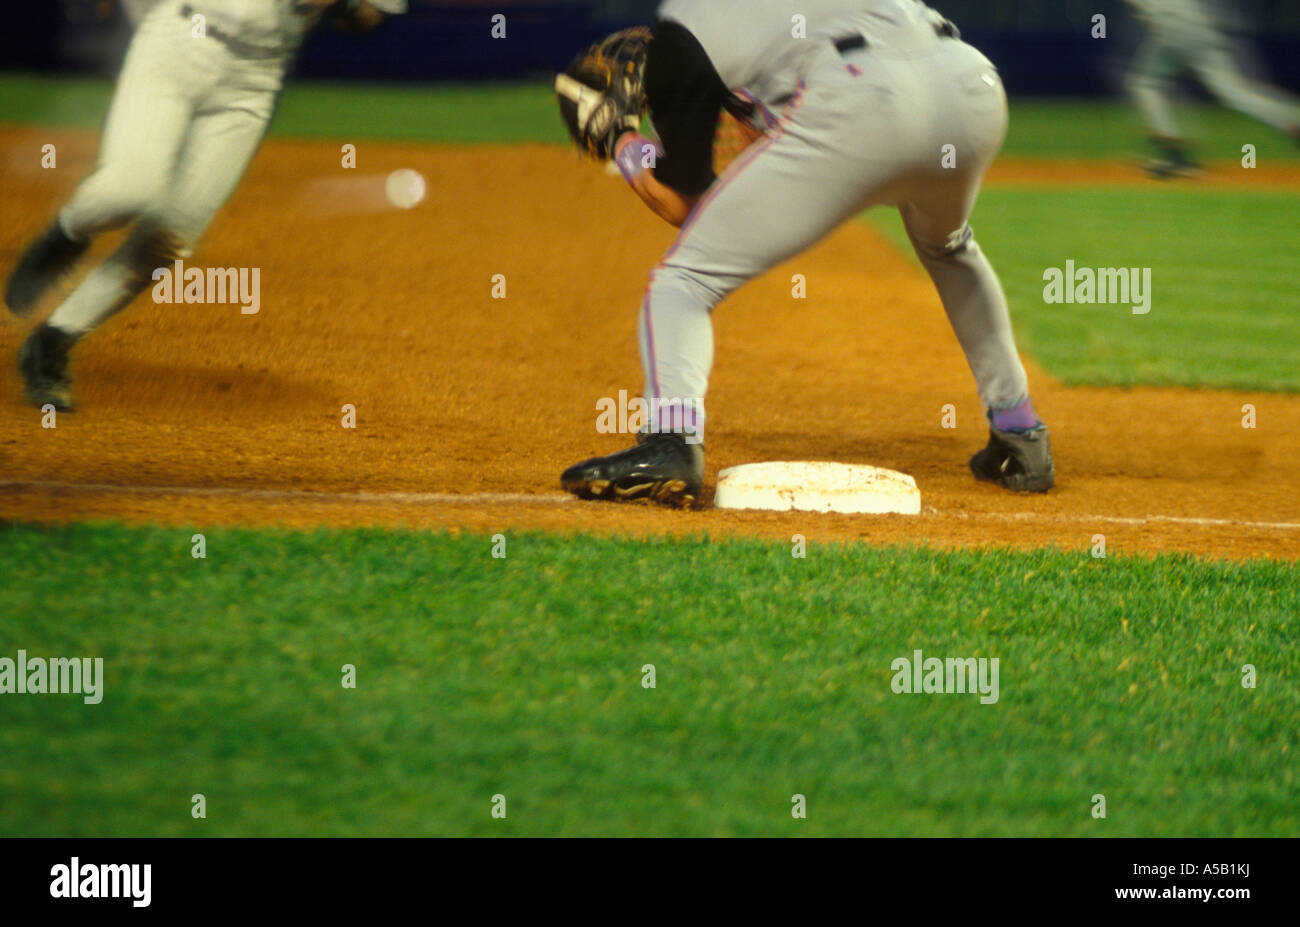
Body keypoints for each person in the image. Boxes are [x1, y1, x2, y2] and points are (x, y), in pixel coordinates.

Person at [555, 0, 1054, 508]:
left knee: (682, 282)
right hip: (972, 86)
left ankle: (670, 444)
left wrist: (621, 140)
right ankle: (1020, 434)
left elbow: (687, 203)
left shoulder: (683, 24)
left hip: (862, 100)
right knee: (949, 247)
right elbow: (772, 123)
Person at [5, 0, 406, 411]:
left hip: (254, 78)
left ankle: (52, 342)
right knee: (129, 190)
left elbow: (371, 17)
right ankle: (67, 233)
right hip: (178, 42)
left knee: (169, 238)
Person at [1126, 0, 1300, 177]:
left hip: (1174, 26)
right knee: (1233, 93)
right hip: (1200, 26)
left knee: (1146, 84)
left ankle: (1174, 155)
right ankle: (1289, 122)